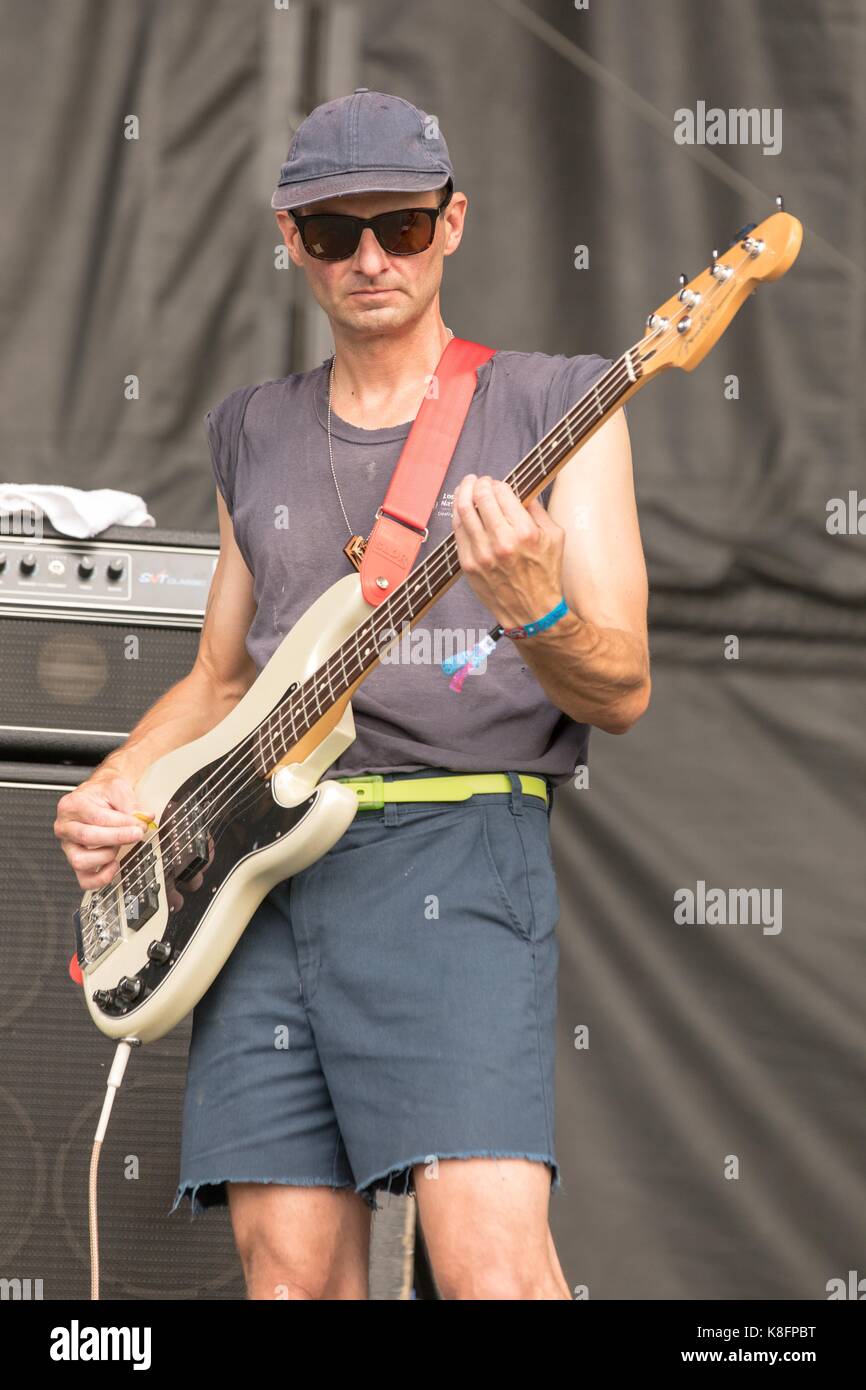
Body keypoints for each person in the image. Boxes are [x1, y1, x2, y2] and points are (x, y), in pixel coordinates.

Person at [54, 89, 650, 1300]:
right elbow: (223, 676)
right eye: (332, 232)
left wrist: (533, 604)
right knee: (288, 1284)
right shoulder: (250, 431)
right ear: (290, 238)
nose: (369, 256)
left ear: (453, 222)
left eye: (400, 224)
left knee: (492, 1272)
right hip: (251, 876)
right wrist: (116, 786)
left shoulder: (561, 403)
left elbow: (622, 686)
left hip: (452, 842)